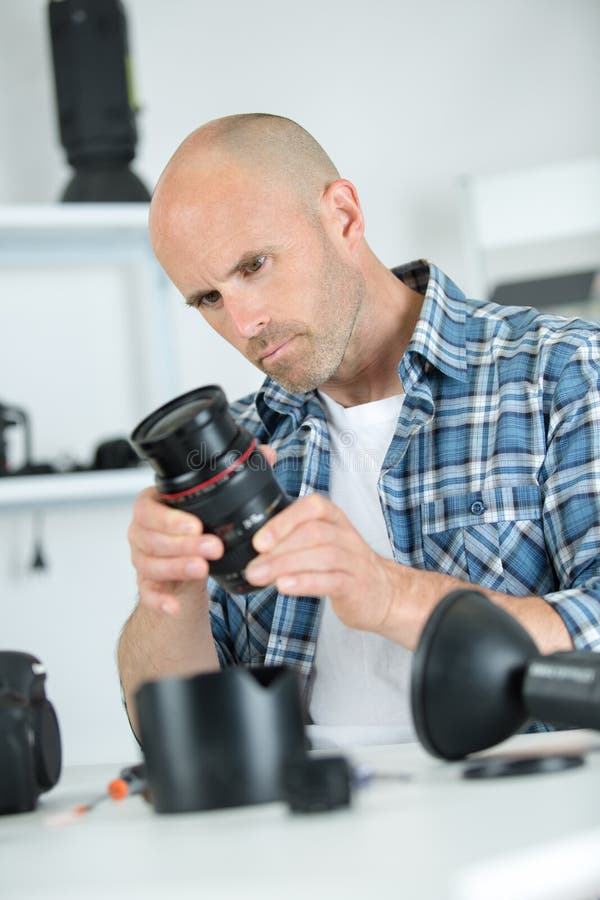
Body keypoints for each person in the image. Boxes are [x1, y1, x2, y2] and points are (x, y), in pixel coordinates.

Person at [118, 113, 600, 745]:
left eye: (254, 265)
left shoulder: (561, 372)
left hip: (525, 824)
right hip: (306, 826)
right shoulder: (240, 444)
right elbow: (179, 733)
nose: (243, 322)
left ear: (342, 216)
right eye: (207, 299)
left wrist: (392, 597)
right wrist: (170, 594)